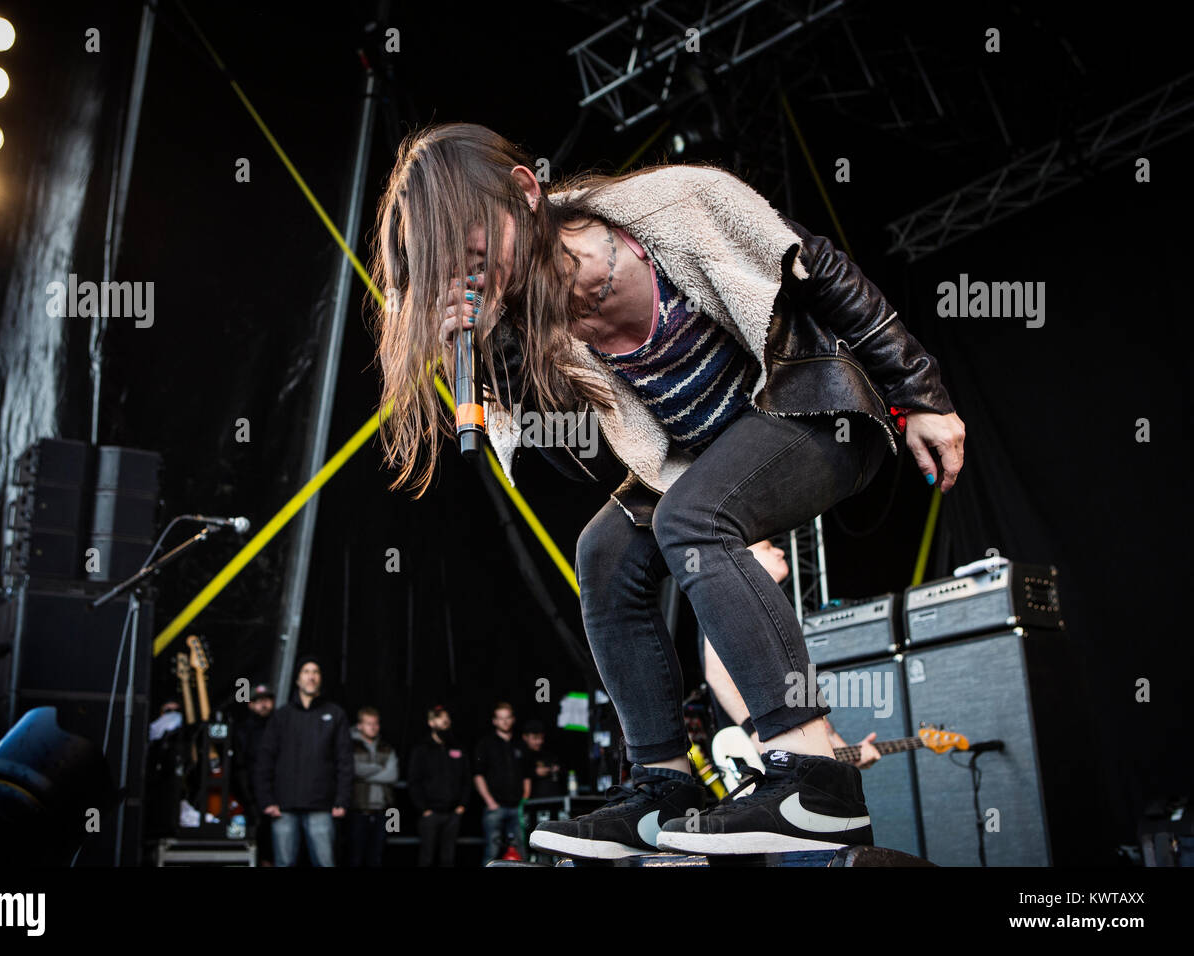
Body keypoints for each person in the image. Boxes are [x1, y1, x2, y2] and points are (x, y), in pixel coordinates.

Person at [368, 123, 965, 858]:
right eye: (457, 275)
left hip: (814, 411)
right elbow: (581, 463)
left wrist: (921, 393)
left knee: (693, 517)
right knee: (603, 552)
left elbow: (822, 271)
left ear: (526, 192)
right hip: (702, 457)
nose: (478, 280)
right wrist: (497, 355)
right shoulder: (531, 328)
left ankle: (815, 773)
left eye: (479, 258)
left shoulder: (671, 207)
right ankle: (661, 785)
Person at [701, 541, 882, 772]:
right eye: (767, 548)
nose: (780, 551)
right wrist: (757, 734)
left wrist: (843, 748)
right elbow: (717, 673)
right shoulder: (728, 600)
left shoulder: (771, 608)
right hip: (756, 750)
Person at [254, 657, 353, 866]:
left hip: (322, 806)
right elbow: (265, 760)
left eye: (315, 672)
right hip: (283, 807)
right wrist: (266, 800)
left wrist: (342, 800)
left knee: (326, 863)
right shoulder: (282, 716)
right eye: (306, 671)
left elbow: (344, 761)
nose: (311, 676)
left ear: (320, 679)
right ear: (298, 679)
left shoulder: (335, 714)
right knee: (283, 863)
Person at [407, 704, 470, 867]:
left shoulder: (457, 748)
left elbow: (466, 779)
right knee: (426, 857)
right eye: (442, 722)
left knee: (448, 858)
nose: (445, 725)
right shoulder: (421, 750)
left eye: (447, 722)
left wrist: (461, 806)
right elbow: (413, 782)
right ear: (431, 723)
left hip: (453, 813)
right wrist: (424, 809)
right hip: (430, 814)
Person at [472, 702, 531, 864]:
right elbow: (478, 775)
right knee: (492, 850)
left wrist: (524, 799)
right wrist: (490, 802)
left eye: (507, 718)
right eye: (500, 718)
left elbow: (527, 775)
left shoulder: (520, 744)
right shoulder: (486, 744)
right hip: (494, 808)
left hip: (517, 807)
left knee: (522, 851)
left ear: (512, 719)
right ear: (494, 721)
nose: (504, 722)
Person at [348, 706, 398, 867]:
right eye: (369, 723)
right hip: (358, 809)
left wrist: (365, 775)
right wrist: (379, 768)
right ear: (360, 725)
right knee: (355, 855)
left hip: (387, 811)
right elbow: (353, 769)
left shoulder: (387, 747)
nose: (373, 727)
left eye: (376, 723)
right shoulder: (350, 746)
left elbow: (393, 775)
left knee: (380, 855)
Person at [234, 683, 276, 864]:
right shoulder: (243, 730)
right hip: (251, 795)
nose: (263, 704)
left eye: (266, 700)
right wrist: (249, 799)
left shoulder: (279, 727)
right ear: (250, 704)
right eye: (258, 701)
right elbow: (240, 766)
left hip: (277, 794)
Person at [520, 720, 566, 799]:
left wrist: (557, 769)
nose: (539, 742)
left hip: (554, 799)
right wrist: (534, 772)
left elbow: (563, 772)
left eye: (541, 738)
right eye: (535, 738)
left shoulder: (549, 754)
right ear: (525, 737)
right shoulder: (520, 755)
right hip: (531, 802)